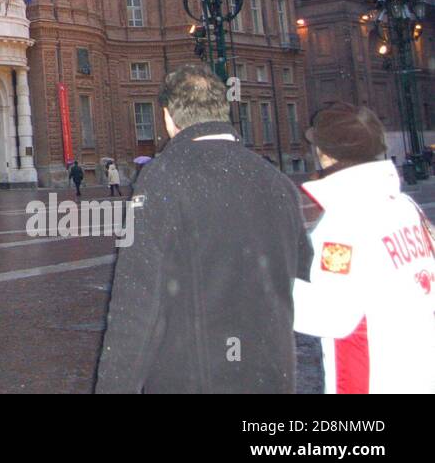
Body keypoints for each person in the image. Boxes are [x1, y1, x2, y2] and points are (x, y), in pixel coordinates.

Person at [95, 65, 310, 393]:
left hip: (192, 377)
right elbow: (302, 283)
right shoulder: (279, 184)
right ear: (222, 110)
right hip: (269, 375)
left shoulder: (162, 177)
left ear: (167, 117)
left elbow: (136, 300)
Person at [292, 102, 435, 393]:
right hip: (419, 372)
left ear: (325, 155)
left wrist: (274, 283)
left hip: (371, 380)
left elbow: (329, 315)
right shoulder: (407, 207)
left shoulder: (345, 219)